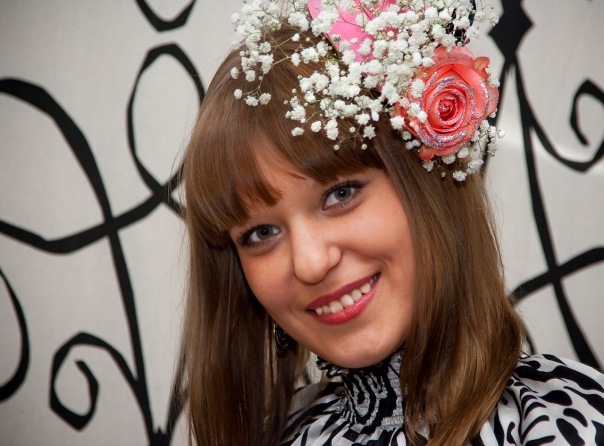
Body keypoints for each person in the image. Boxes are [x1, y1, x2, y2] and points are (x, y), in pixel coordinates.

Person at [179, 1, 604, 445]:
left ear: (425, 184)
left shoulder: (566, 425)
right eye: (261, 233)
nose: (310, 263)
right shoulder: (280, 434)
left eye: (340, 194)